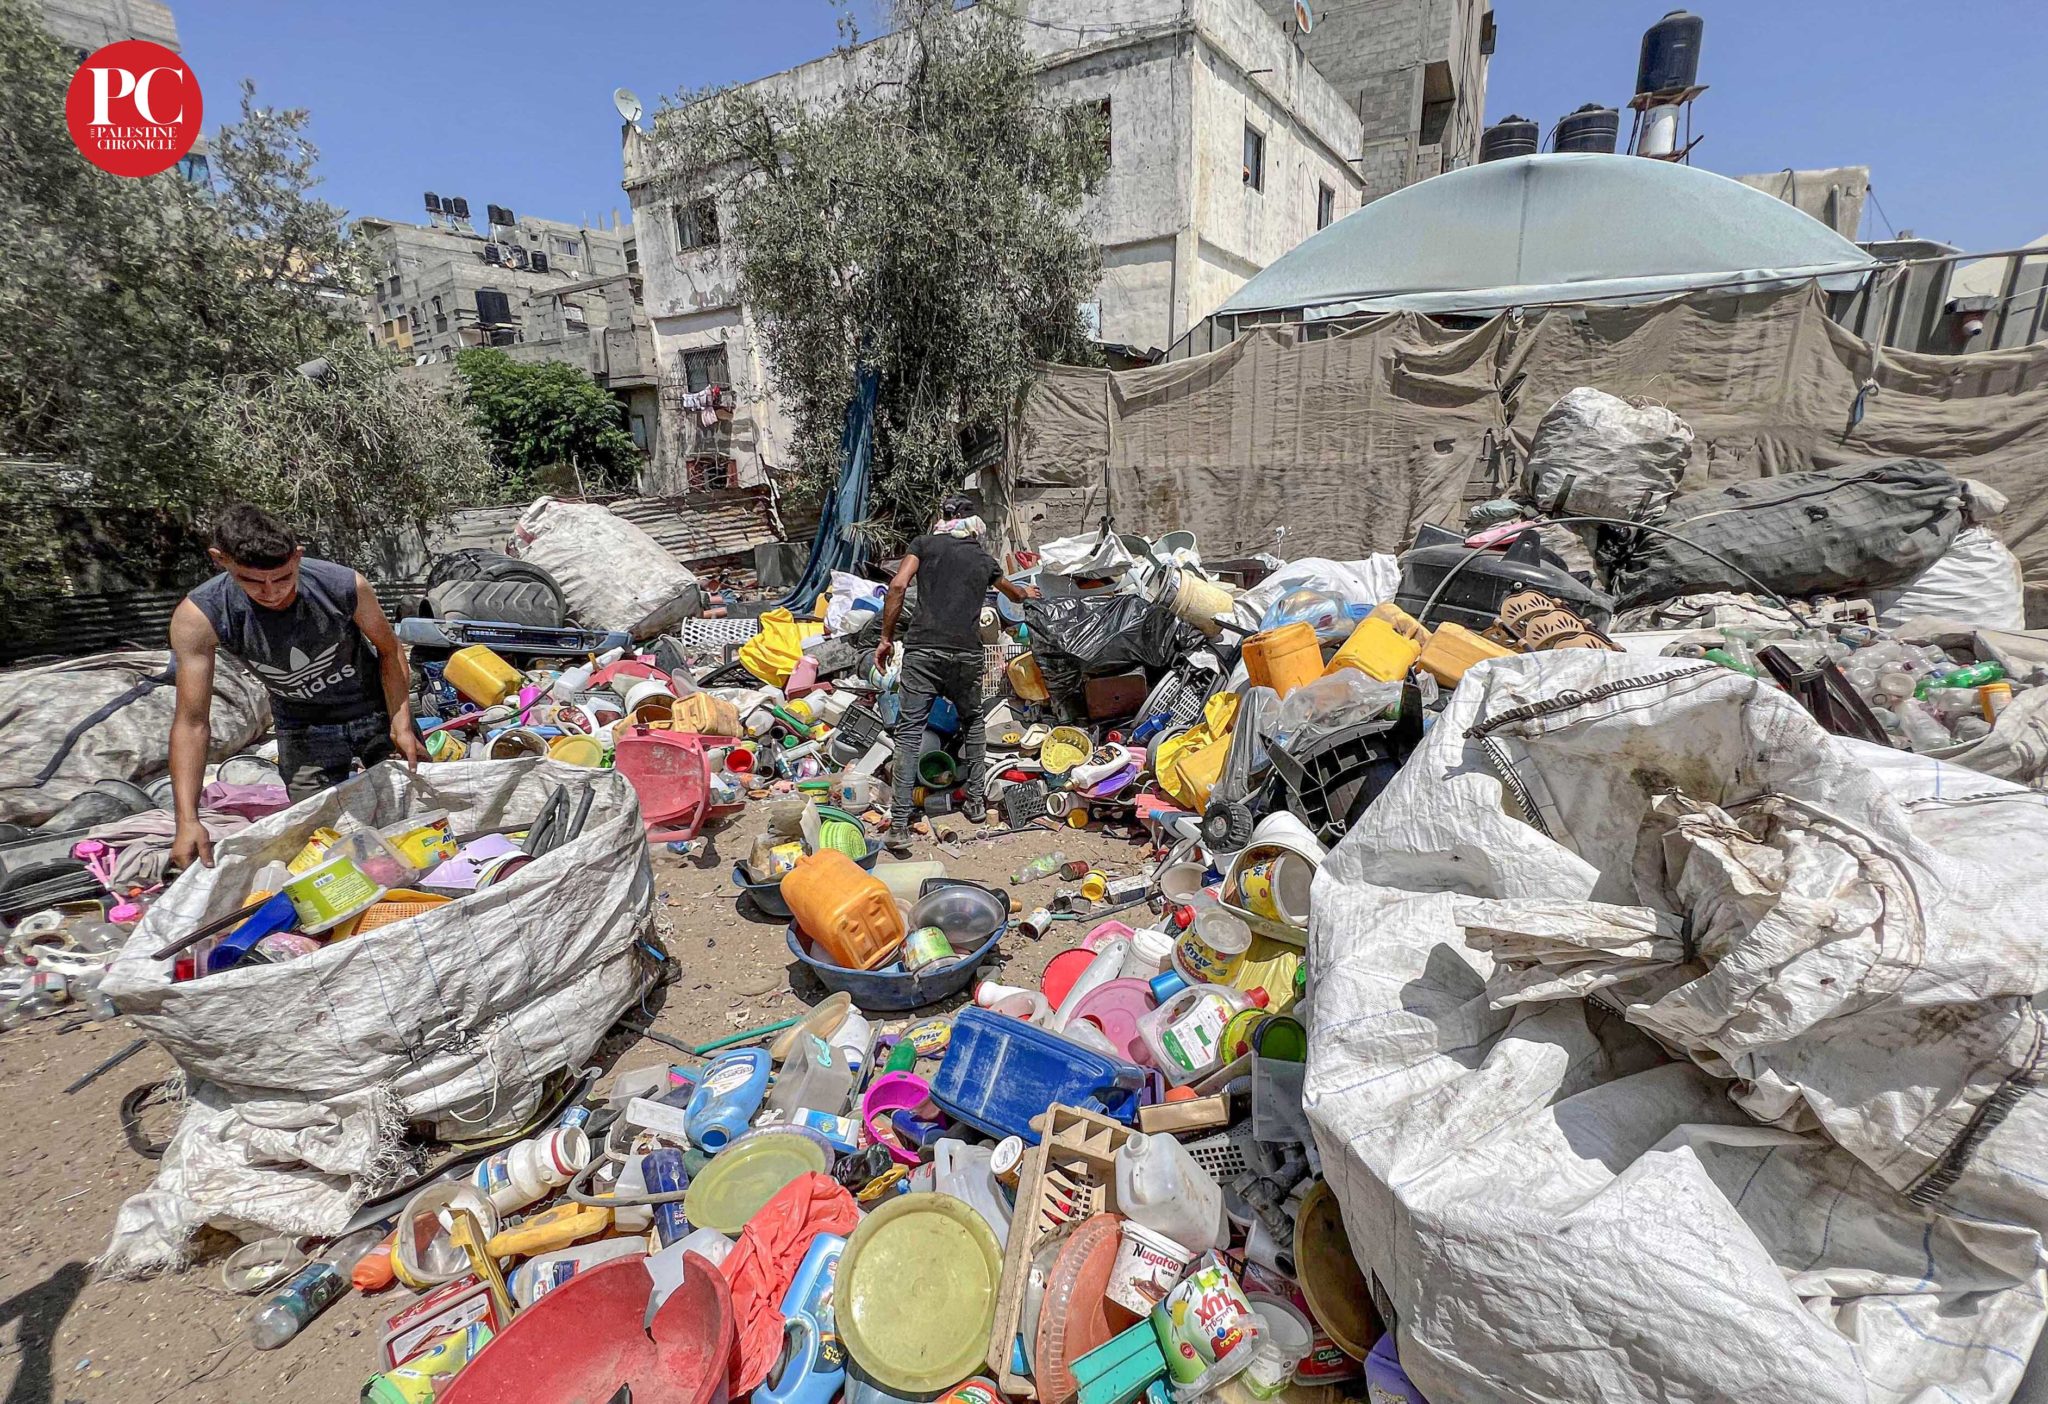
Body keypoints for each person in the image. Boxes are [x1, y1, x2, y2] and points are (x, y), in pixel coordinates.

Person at [168, 504, 425, 868]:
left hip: (374, 709)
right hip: (302, 727)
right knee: (318, 839)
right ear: (220, 560)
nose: (271, 592)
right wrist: (188, 821)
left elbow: (389, 650)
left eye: (284, 577)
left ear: (298, 556)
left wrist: (400, 724)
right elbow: (192, 722)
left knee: (416, 817)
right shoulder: (200, 616)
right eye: (253, 581)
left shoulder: (342, 585)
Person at [873, 499, 1040, 849]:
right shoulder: (983, 559)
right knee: (973, 721)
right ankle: (976, 803)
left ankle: (900, 824)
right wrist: (1028, 592)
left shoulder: (923, 544)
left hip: (922, 652)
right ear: (974, 523)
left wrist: (886, 638)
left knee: (909, 732)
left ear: (943, 519)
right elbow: (1013, 593)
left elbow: (898, 586)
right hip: (966, 653)